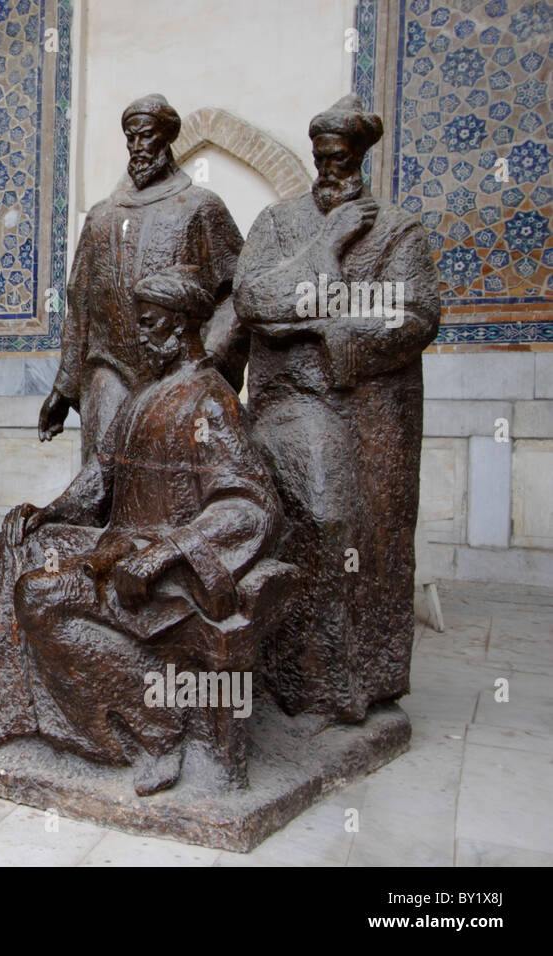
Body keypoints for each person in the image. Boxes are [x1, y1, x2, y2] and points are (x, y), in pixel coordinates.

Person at [0, 267, 285, 795]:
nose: (141, 337)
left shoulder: (210, 400)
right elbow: (102, 477)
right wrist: (50, 512)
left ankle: (159, 725)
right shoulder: (147, 394)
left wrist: (168, 551)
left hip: (170, 570)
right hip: (120, 546)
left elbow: (249, 506)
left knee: (39, 594)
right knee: (19, 544)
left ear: (182, 325)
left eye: (149, 324)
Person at [234, 95, 441, 721]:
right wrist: (326, 247)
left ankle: (361, 681)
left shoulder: (398, 230)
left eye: (340, 158)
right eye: (321, 158)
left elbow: (414, 315)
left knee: (366, 541)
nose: (329, 169)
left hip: (373, 412)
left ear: (359, 157)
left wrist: (323, 326)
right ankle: (289, 679)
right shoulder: (277, 222)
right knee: (308, 521)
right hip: (288, 405)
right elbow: (252, 298)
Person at [39, 94, 245, 459]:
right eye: (130, 138)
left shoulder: (201, 207)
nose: (137, 147)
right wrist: (66, 384)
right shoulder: (102, 217)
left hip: (175, 370)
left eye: (146, 136)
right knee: (101, 470)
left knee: (170, 481)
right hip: (110, 370)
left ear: (166, 138)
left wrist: (212, 355)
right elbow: (80, 303)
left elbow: (237, 291)